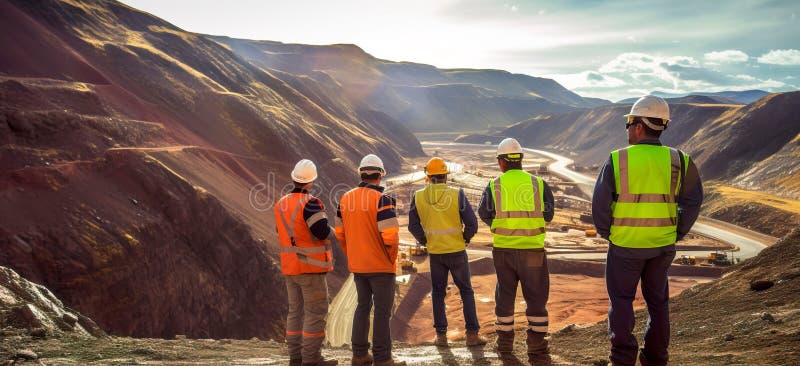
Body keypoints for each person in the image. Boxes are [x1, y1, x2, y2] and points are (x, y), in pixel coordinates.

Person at [592, 95, 703, 366]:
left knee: (621, 302)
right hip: (662, 246)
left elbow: (600, 205)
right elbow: (693, 201)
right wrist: (677, 232)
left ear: (639, 126)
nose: (628, 129)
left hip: (625, 246)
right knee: (658, 304)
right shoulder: (680, 160)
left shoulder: (618, 159)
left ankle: (622, 359)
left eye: (629, 123)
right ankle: (655, 358)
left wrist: (610, 234)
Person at [477, 138, 555, 358]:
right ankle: (536, 345)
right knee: (536, 296)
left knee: (505, 295)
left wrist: (499, 226)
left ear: (501, 162)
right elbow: (549, 214)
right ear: (520, 159)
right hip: (533, 250)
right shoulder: (538, 184)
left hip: (504, 251)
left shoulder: (494, 185)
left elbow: (483, 213)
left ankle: (504, 345)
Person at [335, 154, 406, 366]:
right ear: (380, 175)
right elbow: (390, 236)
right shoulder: (382, 200)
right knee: (382, 312)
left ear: (361, 174)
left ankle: (359, 355)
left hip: (358, 266)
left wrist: (353, 255)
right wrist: (390, 259)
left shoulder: (345, 199)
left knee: (362, 307)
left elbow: (340, 233)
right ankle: (383, 358)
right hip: (381, 267)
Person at [407, 157, 486, 348]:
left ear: (428, 177)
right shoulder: (457, 194)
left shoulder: (418, 196)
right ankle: (472, 336)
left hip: (436, 254)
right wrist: (465, 238)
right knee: (466, 291)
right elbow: (472, 223)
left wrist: (426, 241)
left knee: (438, 293)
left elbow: (413, 226)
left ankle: (441, 337)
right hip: (457, 251)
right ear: (445, 176)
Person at [275, 159, 338, 366]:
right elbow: (321, 231)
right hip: (310, 268)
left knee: (295, 311)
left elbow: (282, 233)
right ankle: (312, 359)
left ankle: (296, 357)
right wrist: (334, 231)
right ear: (311, 181)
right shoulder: (310, 203)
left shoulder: (281, 204)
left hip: (290, 267)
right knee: (316, 312)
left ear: (294, 177)